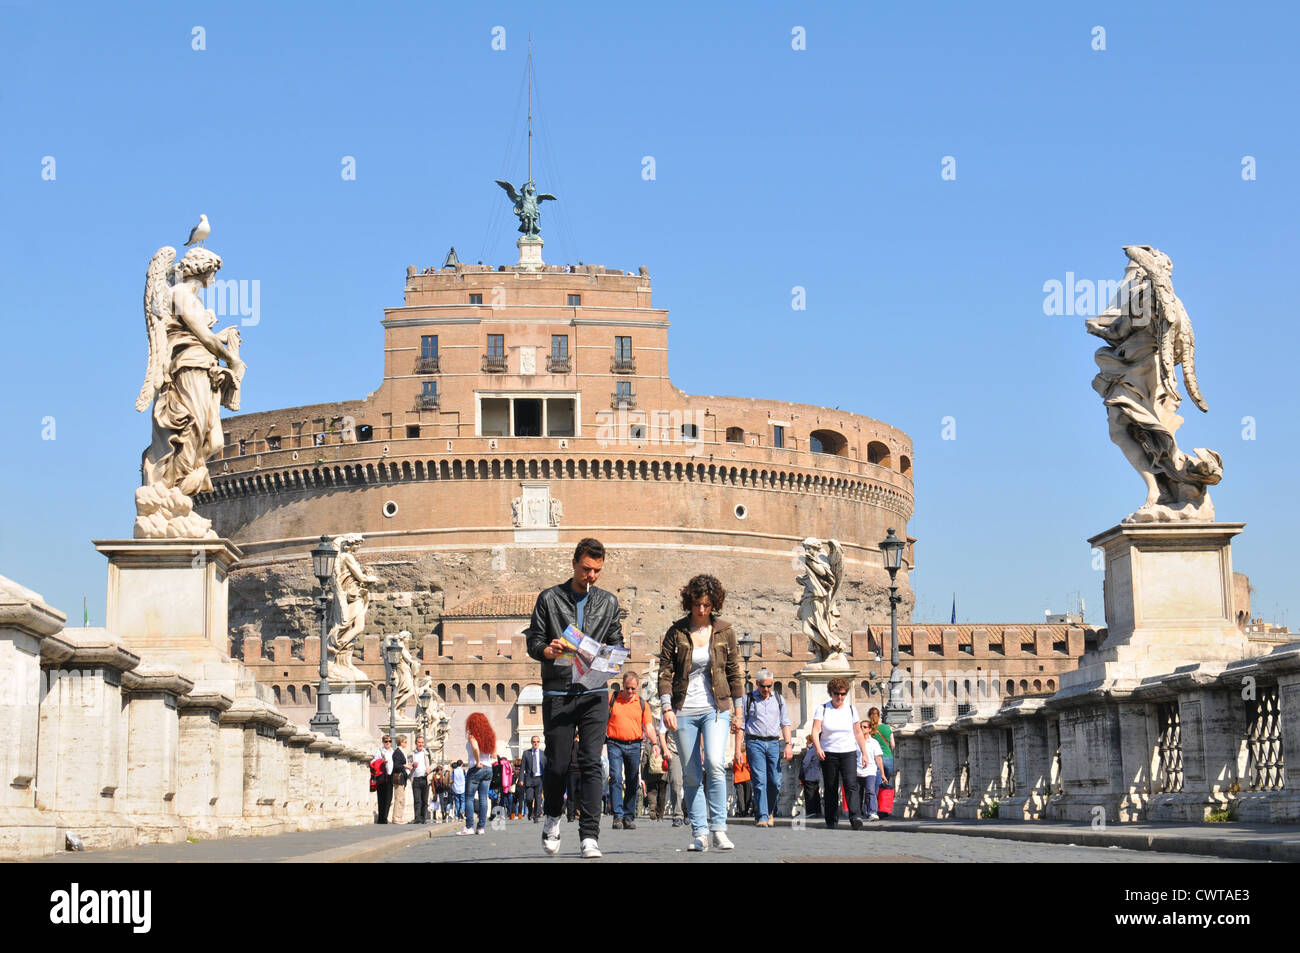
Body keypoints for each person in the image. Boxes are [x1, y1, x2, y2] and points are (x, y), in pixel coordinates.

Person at [526, 538, 625, 860]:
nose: (591, 576)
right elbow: (534, 640)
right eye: (586, 569)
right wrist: (547, 650)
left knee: (591, 763)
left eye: (597, 570)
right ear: (573, 563)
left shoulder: (608, 603)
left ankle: (589, 837)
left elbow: (616, 641)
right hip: (558, 691)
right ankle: (553, 816)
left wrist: (612, 657)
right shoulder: (549, 599)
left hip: (594, 691)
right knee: (556, 766)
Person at [658, 574, 745, 852]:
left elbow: (734, 671)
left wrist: (739, 712)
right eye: (697, 604)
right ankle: (699, 833)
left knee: (717, 765)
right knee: (692, 772)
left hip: (716, 707)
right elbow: (665, 672)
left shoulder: (724, 630)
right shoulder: (677, 632)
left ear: (714, 603)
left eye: (707, 605)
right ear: (690, 602)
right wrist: (666, 706)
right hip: (684, 709)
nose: (702, 610)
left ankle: (719, 829)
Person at [810, 678, 870, 830]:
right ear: (831, 693)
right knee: (831, 787)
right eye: (836, 694)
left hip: (848, 751)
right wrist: (818, 748)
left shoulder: (851, 709)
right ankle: (831, 820)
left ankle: (855, 816)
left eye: (843, 694)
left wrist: (864, 753)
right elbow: (815, 730)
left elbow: (858, 732)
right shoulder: (823, 709)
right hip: (829, 753)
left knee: (851, 784)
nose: (840, 697)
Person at [739, 668, 794, 827]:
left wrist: (788, 744)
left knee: (775, 781)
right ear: (757, 684)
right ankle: (763, 816)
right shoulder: (747, 699)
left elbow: (785, 723)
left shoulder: (778, 699)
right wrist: (737, 749)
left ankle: (769, 810)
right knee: (759, 781)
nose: (766, 689)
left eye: (770, 686)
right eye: (763, 686)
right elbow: (742, 725)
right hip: (754, 742)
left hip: (774, 743)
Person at [606, 670, 659, 830]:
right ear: (623, 685)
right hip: (614, 743)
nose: (630, 692)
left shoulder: (642, 703)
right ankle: (617, 816)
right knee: (615, 777)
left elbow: (648, 725)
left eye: (633, 689)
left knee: (632, 780)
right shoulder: (612, 699)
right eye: (627, 688)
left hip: (635, 745)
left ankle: (628, 816)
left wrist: (655, 743)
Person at [459, 713, 496, 836]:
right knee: (483, 799)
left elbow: (475, 749)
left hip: (476, 768)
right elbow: (494, 754)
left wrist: (478, 761)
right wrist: (490, 760)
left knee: (469, 798)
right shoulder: (489, 736)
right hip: (488, 768)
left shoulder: (472, 736)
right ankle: (481, 827)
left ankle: (469, 826)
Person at [857, 719, 889, 822]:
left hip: (870, 770)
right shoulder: (855, 741)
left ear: (870, 729)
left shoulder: (874, 742)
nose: (862, 728)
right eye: (861, 727)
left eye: (865, 727)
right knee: (858, 793)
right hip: (857, 770)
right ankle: (858, 812)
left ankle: (872, 812)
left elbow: (878, 759)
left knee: (870, 791)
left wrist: (883, 774)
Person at [869, 707, 895, 815]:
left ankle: (874, 810)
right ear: (880, 716)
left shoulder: (870, 729)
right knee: (885, 785)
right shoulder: (887, 728)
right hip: (888, 758)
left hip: (876, 759)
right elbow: (893, 745)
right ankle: (884, 810)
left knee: (876, 785)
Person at [642, 738, 669, 820]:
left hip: (651, 774)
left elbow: (644, 762)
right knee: (662, 793)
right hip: (663, 773)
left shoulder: (648, 746)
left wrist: (644, 775)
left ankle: (652, 808)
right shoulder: (664, 745)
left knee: (652, 791)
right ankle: (660, 815)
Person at [522, 735, 546, 821]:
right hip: (529, 779)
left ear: (539, 743)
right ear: (531, 742)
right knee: (529, 798)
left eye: (537, 742)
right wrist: (521, 779)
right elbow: (522, 767)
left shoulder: (543, 754)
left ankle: (536, 816)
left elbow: (546, 767)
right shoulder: (526, 753)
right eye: (534, 741)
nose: (535, 743)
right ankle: (530, 811)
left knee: (538, 798)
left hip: (539, 779)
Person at [409, 736, 431, 824]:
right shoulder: (411, 753)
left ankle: (423, 818)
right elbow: (408, 764)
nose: (420, 744)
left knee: (425, 800)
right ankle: (417, 818)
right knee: (417, 799)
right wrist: (412, 764)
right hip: (416, 778)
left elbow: (434, 762)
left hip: (425, 778)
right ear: (416, 743)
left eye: (422, 742)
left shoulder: (427, 753)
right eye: (419, 742)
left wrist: (429, 769)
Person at [799, 733, 822, 817]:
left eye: (807, 741)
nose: (806, 743)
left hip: (809, 776)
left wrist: (801, 775)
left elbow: (805, 762)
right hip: (816, 776)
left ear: (811, 741)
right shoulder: (818, 750)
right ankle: (818, 811)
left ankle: (811, 812)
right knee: (816, 794)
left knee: (809, 795)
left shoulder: (811, 750)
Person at [373, 733, 394, 823]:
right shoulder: (380, 751)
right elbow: (374, 761)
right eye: (386, 741)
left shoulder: (393, 752)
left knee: (388, 797)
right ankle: (381, 817)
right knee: (381, 796)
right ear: (383, 742)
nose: (388, 743)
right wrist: (382, 761)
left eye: (389, 741)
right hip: (381, 776)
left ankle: (385, 816)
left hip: (390, 776)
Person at [390, 735, 409, 824]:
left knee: (402, 799)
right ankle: (396, 818)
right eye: (405, 742)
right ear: (401, 742)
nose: (406, 744)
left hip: (402, 778)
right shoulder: (397, 753)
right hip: (399, 778)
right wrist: (405, 766)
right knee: (399, 798)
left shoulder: (401, 752)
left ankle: (400, 817)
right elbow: (396, 765)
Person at [731, 745, 752, 818]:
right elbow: (749, 767)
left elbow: (733, 769)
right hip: (746, 777)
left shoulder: (735, 758)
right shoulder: (746, 757)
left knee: (740, 796)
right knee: (748, 795)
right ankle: (745, 810)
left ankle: (742, 811)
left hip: (738, 778)